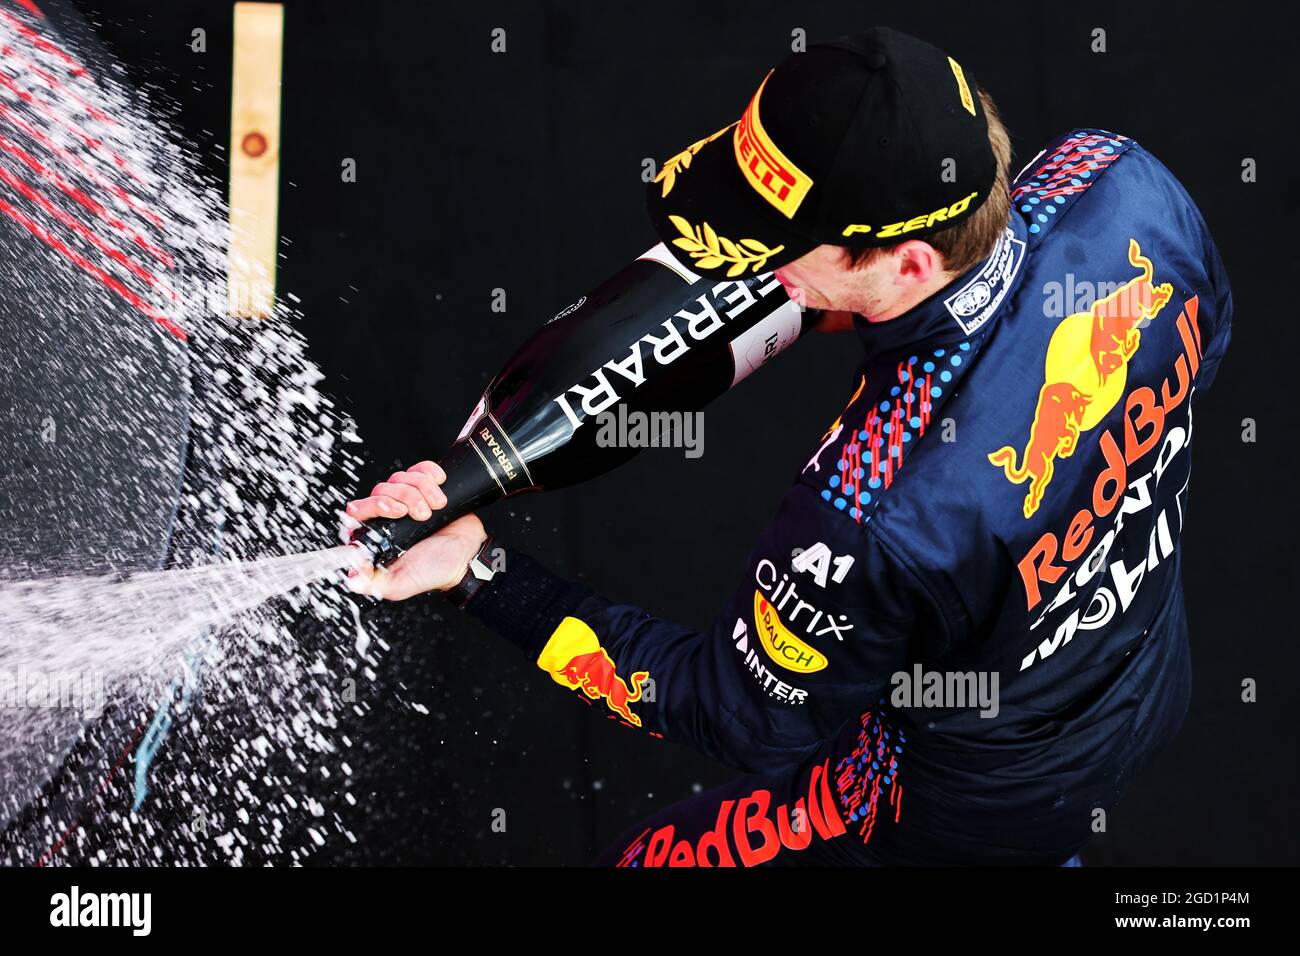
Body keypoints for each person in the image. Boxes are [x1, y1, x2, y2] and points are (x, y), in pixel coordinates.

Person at [345, 28, 1232, 866]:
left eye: (781, 249)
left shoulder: (873, 508)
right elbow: (1200, 345)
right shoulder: (1125, 189)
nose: (764, 270)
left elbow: (736, 716)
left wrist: (479, 573)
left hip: (963, 808)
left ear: (911, 263)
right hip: (1146, 687)